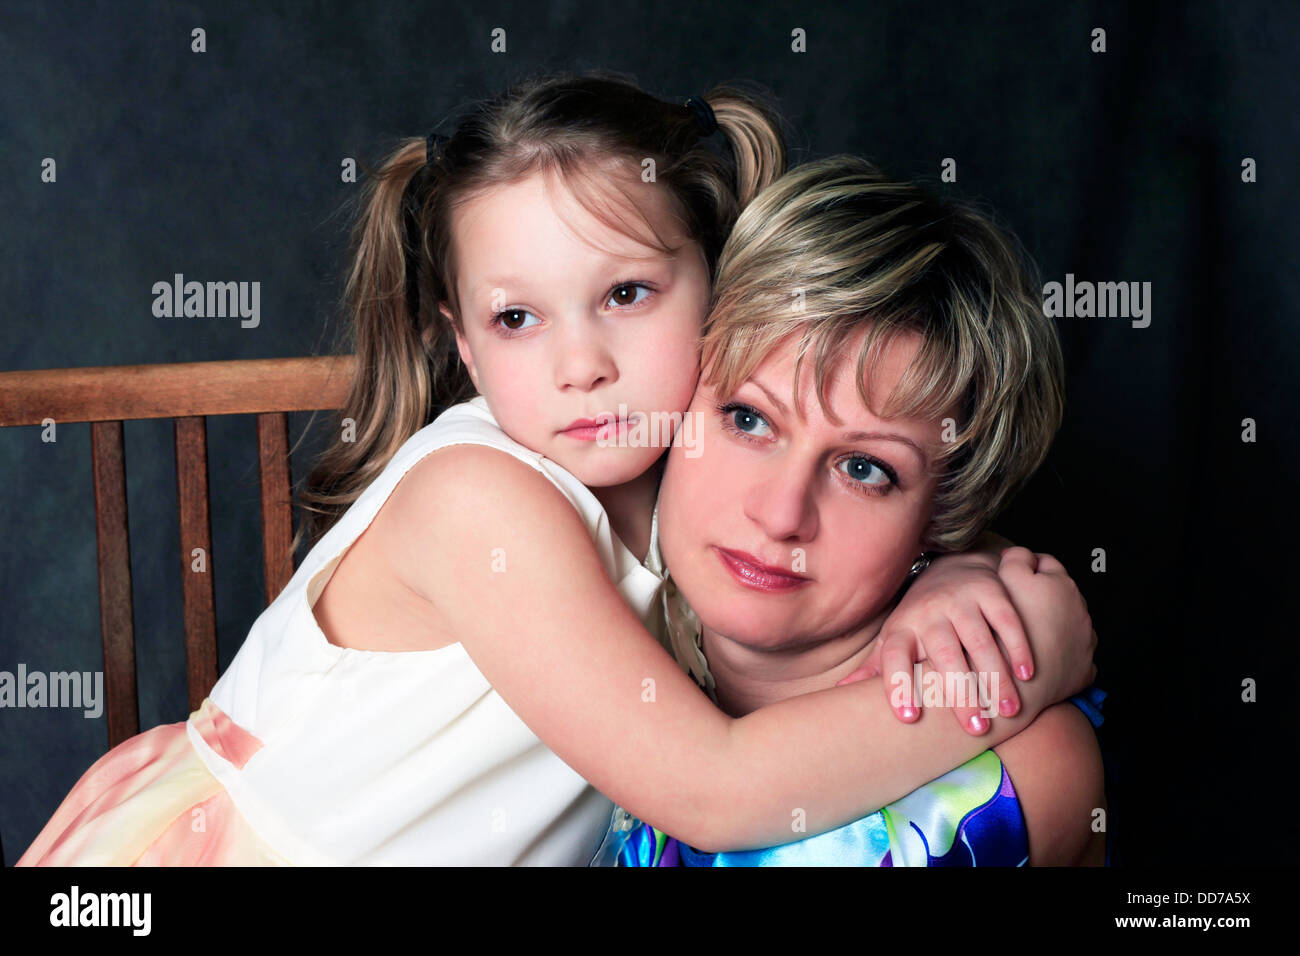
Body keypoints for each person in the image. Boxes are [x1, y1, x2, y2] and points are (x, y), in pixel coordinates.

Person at [18, 73, 1094, 867]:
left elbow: (877, 473)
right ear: (467, 347)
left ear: (717, 290)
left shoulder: (690, 437)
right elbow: (713, 794)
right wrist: (1031, 665)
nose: (582, 365)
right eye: (517, 316)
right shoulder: (479, 497)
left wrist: (974, 581)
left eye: (626, 295)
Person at [608, 156, 1106, 866]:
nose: (782, 515)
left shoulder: (1012, 777)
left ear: (946, 512)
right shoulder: (592, 625)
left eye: (864, 469)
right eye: (749, 420)